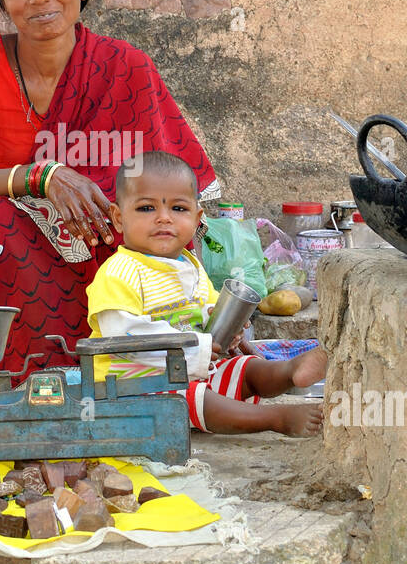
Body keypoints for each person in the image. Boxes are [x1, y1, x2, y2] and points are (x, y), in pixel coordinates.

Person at [0, 0, 218, 384]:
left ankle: (118, 376)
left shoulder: (126, 66)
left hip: (106, 251)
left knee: (135, 240)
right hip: (16, 248)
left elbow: (167, 194)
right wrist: (42, 176)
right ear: (2, 2)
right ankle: (23, 386)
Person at [87, 151, 326, 436]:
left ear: (197, 217)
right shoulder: (120, 271)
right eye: (146, 209)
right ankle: (275, 418)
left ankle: (289, 371)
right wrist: (196, 348)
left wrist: (229, 331)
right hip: (129, 385)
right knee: (196, 399)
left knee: (244, 369)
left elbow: (209, 313)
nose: (164, 218)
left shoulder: (192, 266)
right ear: (118, 217)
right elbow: (125, 336)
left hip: (189, 370)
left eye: (178, 209)